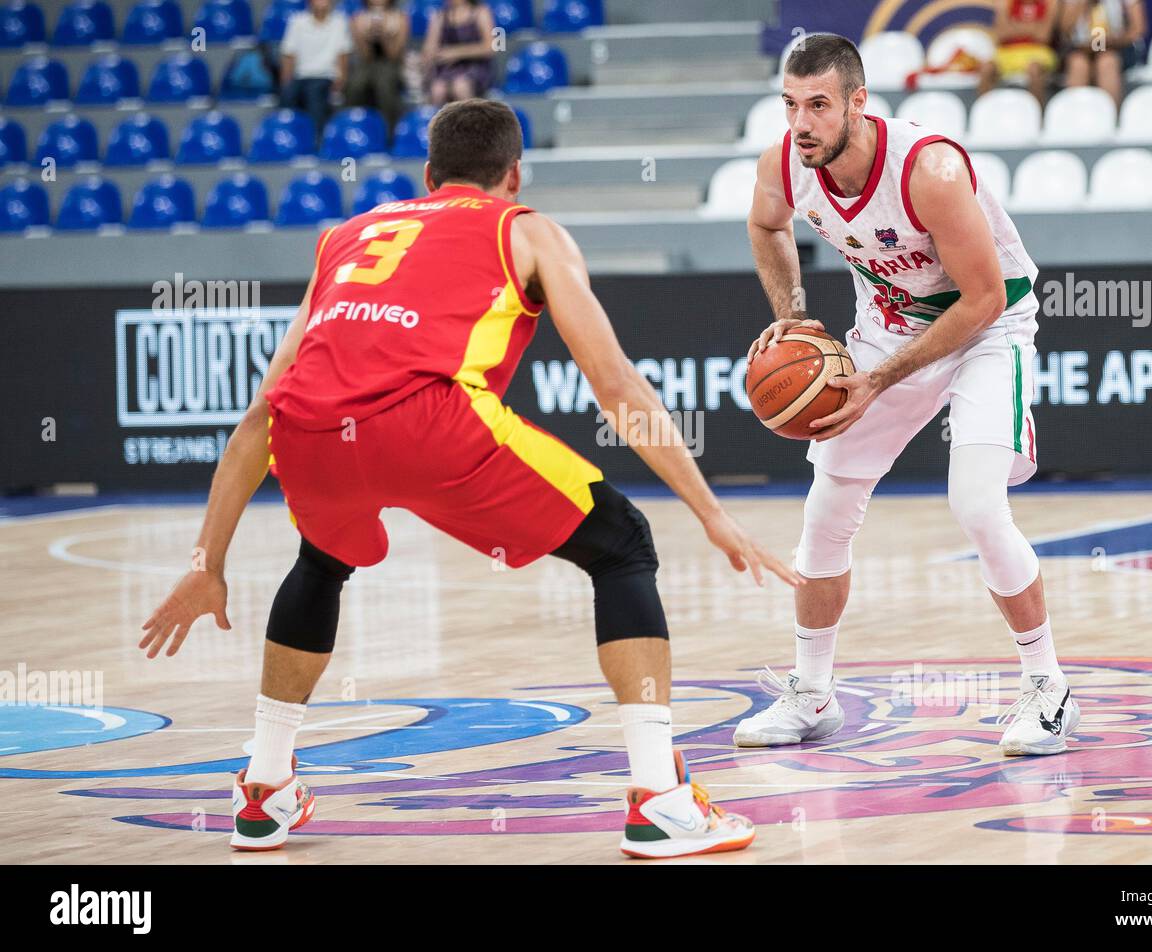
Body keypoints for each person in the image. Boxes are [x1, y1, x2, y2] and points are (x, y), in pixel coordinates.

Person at [139, 99, 797, 859]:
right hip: (430, 424)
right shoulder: (526, 228)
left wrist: (207, 564)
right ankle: (660, 799)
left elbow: (261, 413)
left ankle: (263, 787)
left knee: (321, 558)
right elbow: (615, 386)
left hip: (310, 433)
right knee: (621, 544)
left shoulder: (345, 237)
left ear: (427, 175)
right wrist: (711, 511)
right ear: (514, 176)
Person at [737, 34, 1079, 757]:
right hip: (891, 327)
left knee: (977, 505)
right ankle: (812, 693)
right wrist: (791, 312)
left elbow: (983, 297)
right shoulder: (786, 163)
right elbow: (766, 224)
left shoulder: (930, 169)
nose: (803, 123)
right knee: (826, 511)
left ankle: (1047, 687)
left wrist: (880, 380)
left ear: (858, 102)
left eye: (820, 105)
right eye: (792, 105)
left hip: (988, 327)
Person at [279, 0, 352, 144]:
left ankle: (316, 141)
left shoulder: (339, 22)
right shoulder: (297, 21)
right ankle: (288, 139)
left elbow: (343, 54)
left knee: (315, 94)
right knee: (288, 94)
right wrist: (286, 81)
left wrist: (341, 79)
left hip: (326, 76)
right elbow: (288, 54)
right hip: (300, 76)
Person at [1060, 0, 1147, 106]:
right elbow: (1064, 31)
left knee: (1107, 63)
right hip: (1081, 49)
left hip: (1117, 48)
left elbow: (1138, 29)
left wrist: (1112, 41)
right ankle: (1075, 115)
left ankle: (1111, 116)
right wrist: (1081, 5)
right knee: (1078, 65)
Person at [978, 0, 1060, 106]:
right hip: (1007, 53)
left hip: (1038, 51)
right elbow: (1001, 34)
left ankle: (1037, 111)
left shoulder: (1050, 3)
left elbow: (1044, 35)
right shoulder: (1005, 3)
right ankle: (985, 111)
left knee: (1034, 69)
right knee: (986, 68)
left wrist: (1014, 26)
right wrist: (1032, 28)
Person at [346, 0, 410, 136]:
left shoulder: (400, 17)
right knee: (355, 86)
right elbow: (365, 55)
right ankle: (354, 132)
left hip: (390, 64)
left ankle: (389, 134)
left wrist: (383, 35)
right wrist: (365, 35)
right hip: (366, 63)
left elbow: (393, 55)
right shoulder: (357, 18)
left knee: (384, 86)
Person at [422, 0, 497, 106]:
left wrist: (456, 53)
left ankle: (468, 120)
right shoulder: (440, 16)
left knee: (460, 87)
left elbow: (490, 48)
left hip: (475, 67)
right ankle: (440, 121)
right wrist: (430, 55)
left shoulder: (481, 12)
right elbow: (429, 49)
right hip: (447, 69)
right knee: (437, 89)